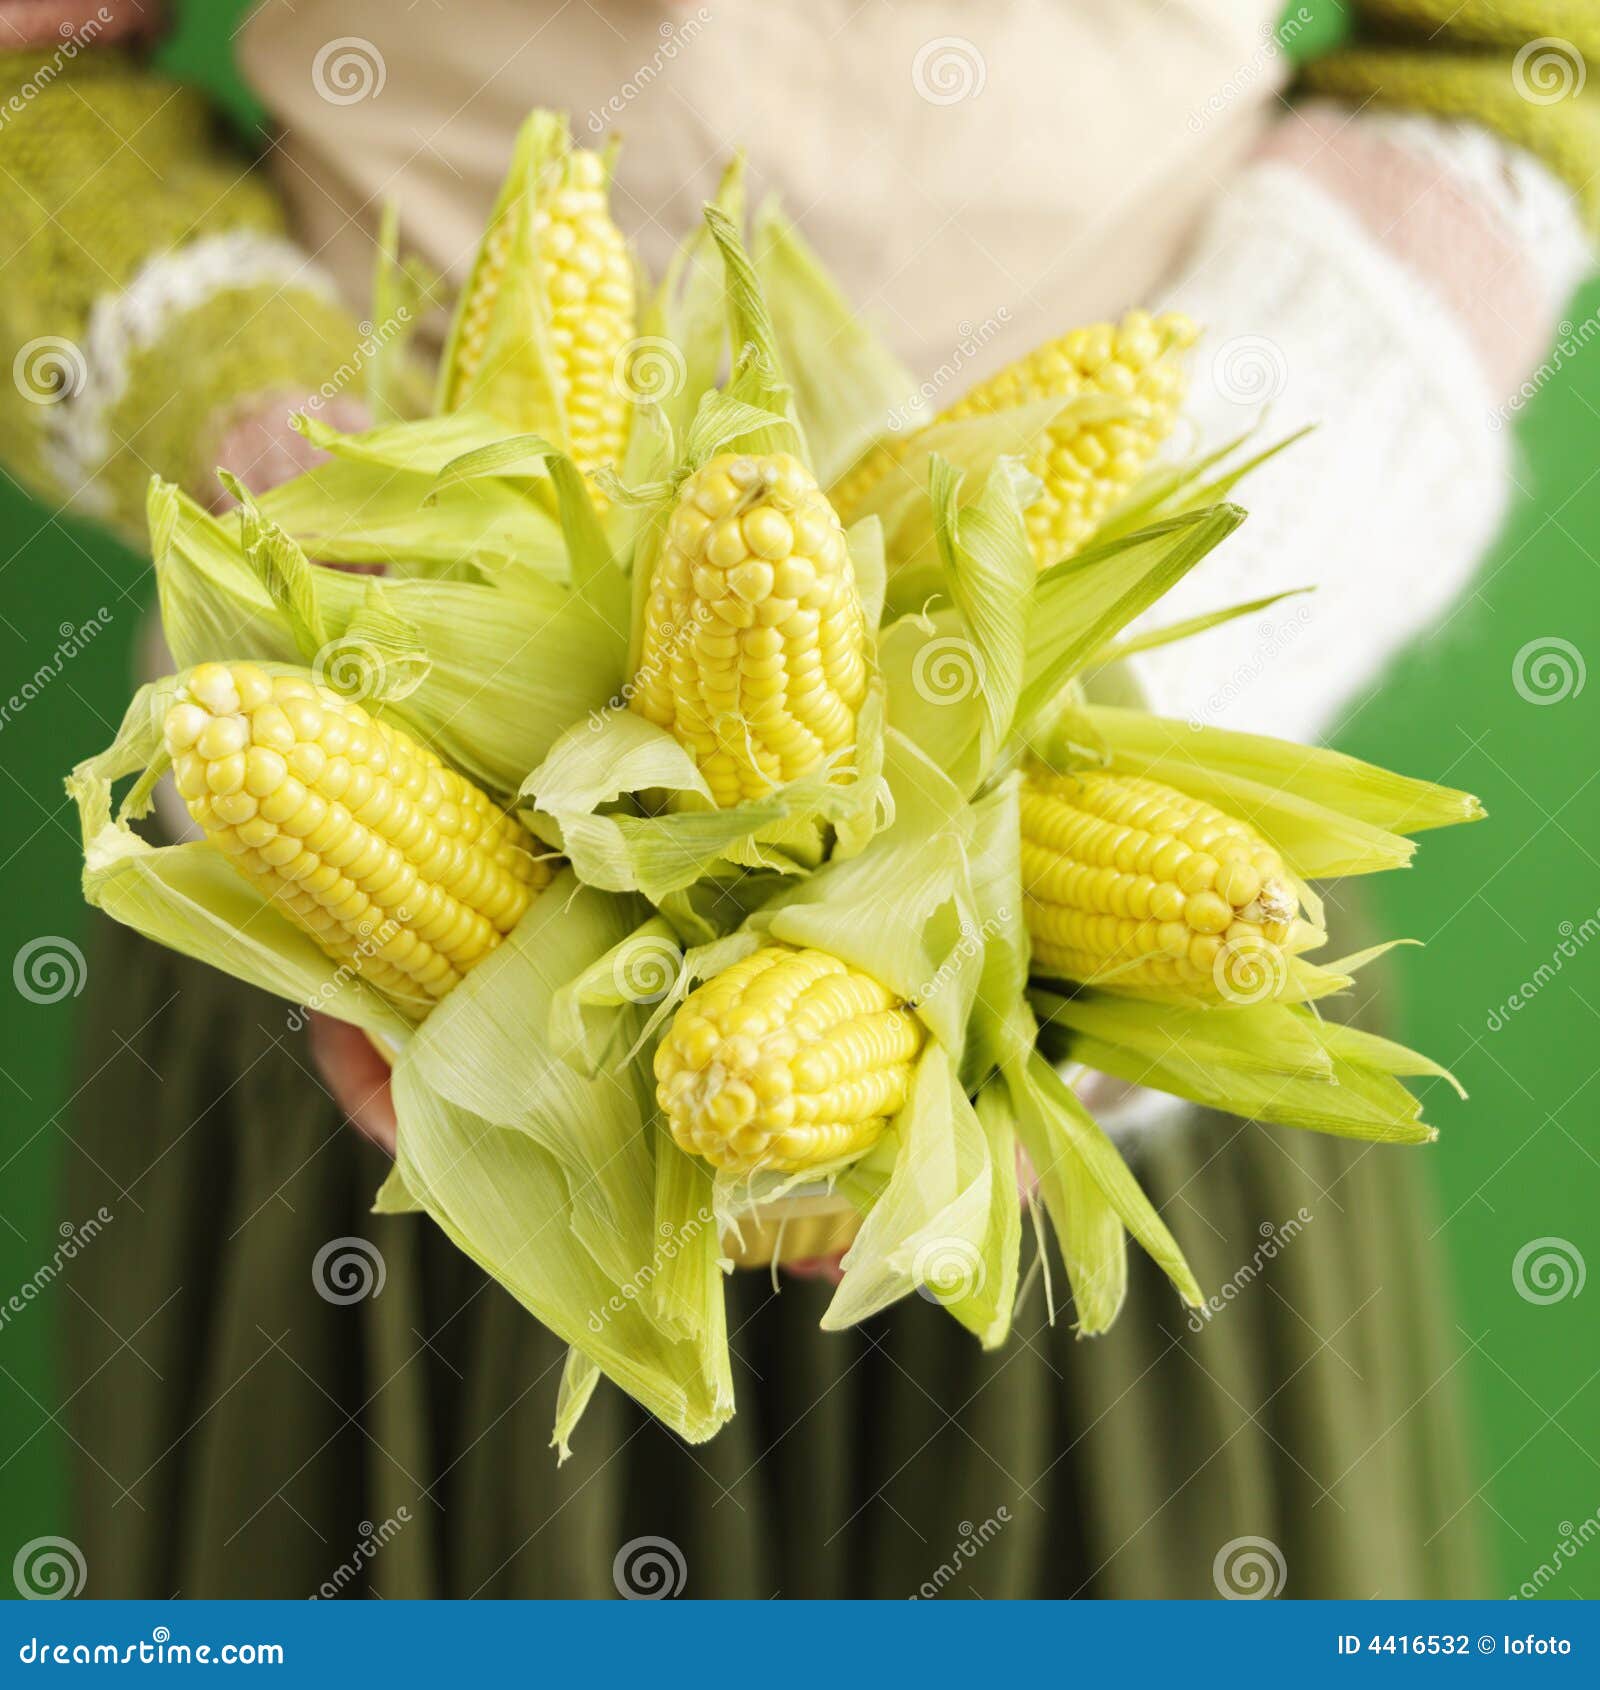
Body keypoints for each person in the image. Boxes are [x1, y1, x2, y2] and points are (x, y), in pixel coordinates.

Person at [1, 0, 1590, 1597]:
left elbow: (1515, 63)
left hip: (1101, 1051)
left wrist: (1153, 660)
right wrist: (284, 461)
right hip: (363, 1030)